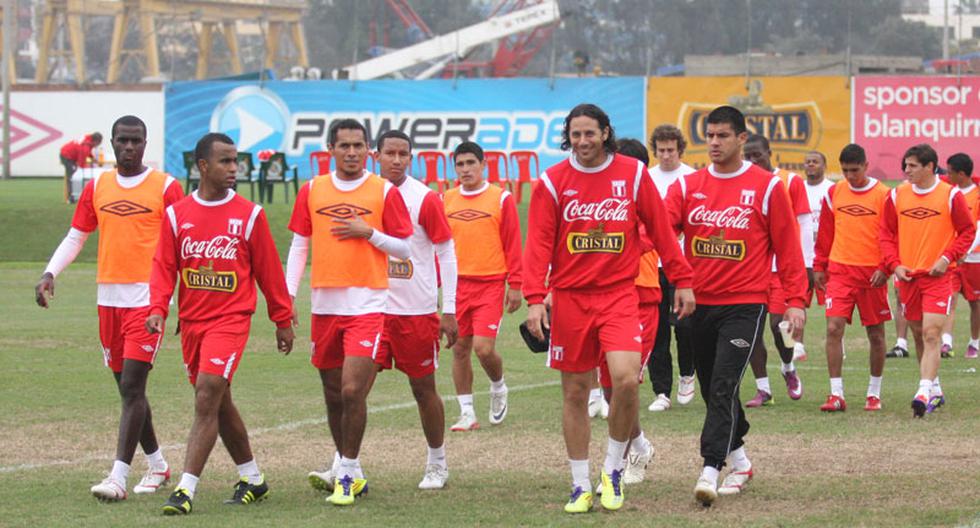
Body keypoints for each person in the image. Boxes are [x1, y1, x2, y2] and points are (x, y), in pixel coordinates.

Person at [523, 104, 694, 513]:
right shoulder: (552, 181)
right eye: (575, 134)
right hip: (570, 298)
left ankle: (613, 469)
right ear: (568, 137)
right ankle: (580, 484)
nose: (583, 141)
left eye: (590, 133)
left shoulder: (632, 174)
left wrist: (683, 279)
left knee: (626, 380)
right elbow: (538, 244)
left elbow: (661, 230)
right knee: (576, 393)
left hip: (619, 295)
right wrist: (534, 299)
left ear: (605, 133)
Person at [664, 105, 806, 506]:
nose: (714, 142)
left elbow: (788, 247)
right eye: (709, 135)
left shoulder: (767, 187)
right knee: (713, 389)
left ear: (741, 138)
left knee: (724, 385)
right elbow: (659, 232)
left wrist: (796, 300)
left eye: (722, 135)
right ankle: (741, 460)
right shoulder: (688, 186)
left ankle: (711, 468)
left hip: (745, 304)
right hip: (697, 305)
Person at [35, 116, 181, 502]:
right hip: (108, 302)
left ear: (145, 143)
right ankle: (158, 465)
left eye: (136, 141)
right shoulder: (98, 186)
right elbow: (76, 236)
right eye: (122, 141)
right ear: (112, 143)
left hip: (147, 303)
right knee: (128, 389)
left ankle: (118, 478)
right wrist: (50, 272)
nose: (129, 147)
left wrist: (181, 300)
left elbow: (183, 243)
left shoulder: (166, 187)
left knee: (132, 386)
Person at [148, 132, 294, 515]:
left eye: (236, 161)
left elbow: (269, 271)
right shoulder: (177, 215)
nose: (234, 168)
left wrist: (282, 318)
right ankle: (252, 478)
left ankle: (185, 489)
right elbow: (163, 267)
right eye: (225, 161)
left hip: (231, 320)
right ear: (202, 166)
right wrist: (158, 308)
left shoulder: (249, 215)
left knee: (207, 393)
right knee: (218, 402)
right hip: (192, 323)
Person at [286, 119, 413, 505]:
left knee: (352, 389)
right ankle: (351, 472)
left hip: (368, 305)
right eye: (345, 146)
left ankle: (344, 474)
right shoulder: (312, 190)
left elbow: (405, 248)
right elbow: (299, 245)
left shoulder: (383, 190)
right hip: (324, 306)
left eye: (359, 146)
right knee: (333, 394)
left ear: (368, 150)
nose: (352, 152)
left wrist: (369, 233)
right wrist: (286, 297)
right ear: (331, 149)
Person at [373, 130, 459, 489]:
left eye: (403, 154)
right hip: (371, 309)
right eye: (389, 153)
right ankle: (345, 466)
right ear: (376, 156)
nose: (396, 160)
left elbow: (446, 251)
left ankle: (437, 463)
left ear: (411, 158)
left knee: (423, 389)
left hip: (416, 311)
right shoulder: (365, 194)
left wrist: (449, 309)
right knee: (352, 388)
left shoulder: (424, 197)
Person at [880, 144, 975, 417]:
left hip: (939, 277)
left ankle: (922, 392)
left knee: (932, 333)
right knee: (919, 334)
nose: (906, 170)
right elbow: (885, 234)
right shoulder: (896, 195)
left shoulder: (951, 195)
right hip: (908, 277)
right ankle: (935, 389)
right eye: (905, 165)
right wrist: (894, 265)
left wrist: (946, 257)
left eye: (912, 165)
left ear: (930, 166)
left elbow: (967, 232)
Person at [443, 141, 523, 431]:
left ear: (483, 165)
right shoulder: (446, 199)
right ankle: (467, 412)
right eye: (460, 164)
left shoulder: (500, 198)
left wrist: (516, 284)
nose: (465, 169)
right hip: (457, 286)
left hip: (490, 284)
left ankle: (498, 386)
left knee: (483, 349)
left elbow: (513, 243)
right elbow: (440, 245)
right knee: (459, 349)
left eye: (471, 163)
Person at [813, 144, 891, 412]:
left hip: (872, 276)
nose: (849, 176)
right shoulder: (834, 192)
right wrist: (819, 265)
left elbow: (892, 235)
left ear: (866, 166)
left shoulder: (884, 195)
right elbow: (825, 233)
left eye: (854, 170)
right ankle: (836, 394)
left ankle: (874, 393)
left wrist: (885, 267)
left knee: (876, 335)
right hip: (840, 273)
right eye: (845, 170)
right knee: (833, 329)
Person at [742, 134, 812, 407]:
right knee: (751, 330)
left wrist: (806, 263)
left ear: (769, 153)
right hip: (752, 269)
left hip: (782, 269)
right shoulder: (743, 182)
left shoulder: (790, 181)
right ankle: (763, 389)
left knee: (779, 325)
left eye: (757, 155)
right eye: (748, 156)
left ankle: (788, 367)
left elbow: (804, 223)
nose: (753, 161)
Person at [646, 124, 698, 412]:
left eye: (671, 150)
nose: (666, 155)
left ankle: (687, 374)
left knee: (685, 327)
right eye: (661, 150)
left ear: (680, 150)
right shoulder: (647, 178)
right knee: (658, 330)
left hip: (681, 267)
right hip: (651, 265)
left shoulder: (692, 178)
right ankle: (661, 391)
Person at [941, 153, 980, 358]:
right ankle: (946, 343)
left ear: (962, 174)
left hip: (974, 259)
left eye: (950, 172)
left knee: (975, 303)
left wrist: (967, 250)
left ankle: (974, 342)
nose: (947, 176)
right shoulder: (948, 192)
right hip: (951, 258)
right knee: (950, 298)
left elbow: (977, 228)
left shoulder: (977, 194)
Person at [803, 150, 834, 321]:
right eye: (808, 161)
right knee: (797, 303)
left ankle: (835, 337)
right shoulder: (798, 188)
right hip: (803, 256)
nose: (811, 164)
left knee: (832, 306)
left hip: (827, 256)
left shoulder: (832, 189)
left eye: (815, 161)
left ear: (824, 166)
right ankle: (796, 339)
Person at [60, 132, 103, 202]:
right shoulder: (86, 145)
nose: (97, 145)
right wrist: (84, 167)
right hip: (66, 156)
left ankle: (73, 195)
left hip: (68, 154)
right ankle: (70, 197)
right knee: (72, 176)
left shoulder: (87, 140)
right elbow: (82, 161)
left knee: (73, 175)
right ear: (96, 141)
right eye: (98, 143)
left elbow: (87, 153)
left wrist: (92, 158)